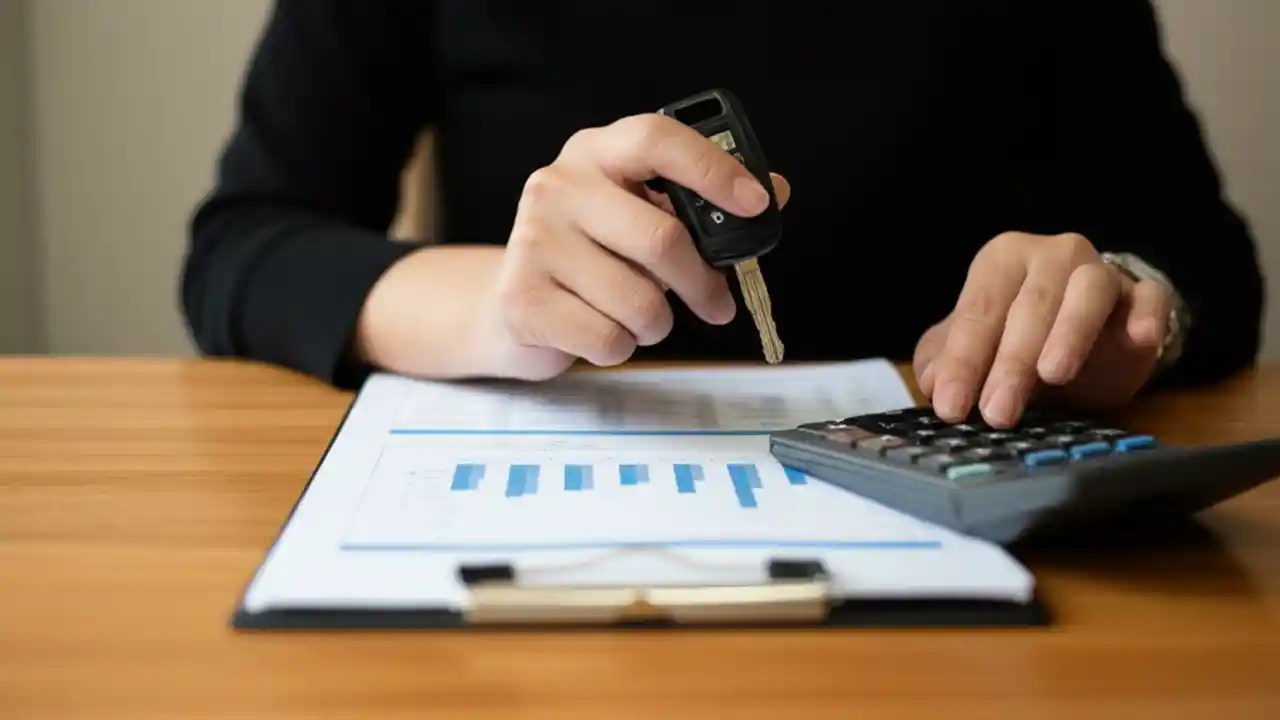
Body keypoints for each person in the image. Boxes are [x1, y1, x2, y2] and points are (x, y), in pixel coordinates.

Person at [181, 0, 1265, 429]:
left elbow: (1205, 259)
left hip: (967, 503)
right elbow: (246, 245)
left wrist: (1126, 312)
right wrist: (492, 310)